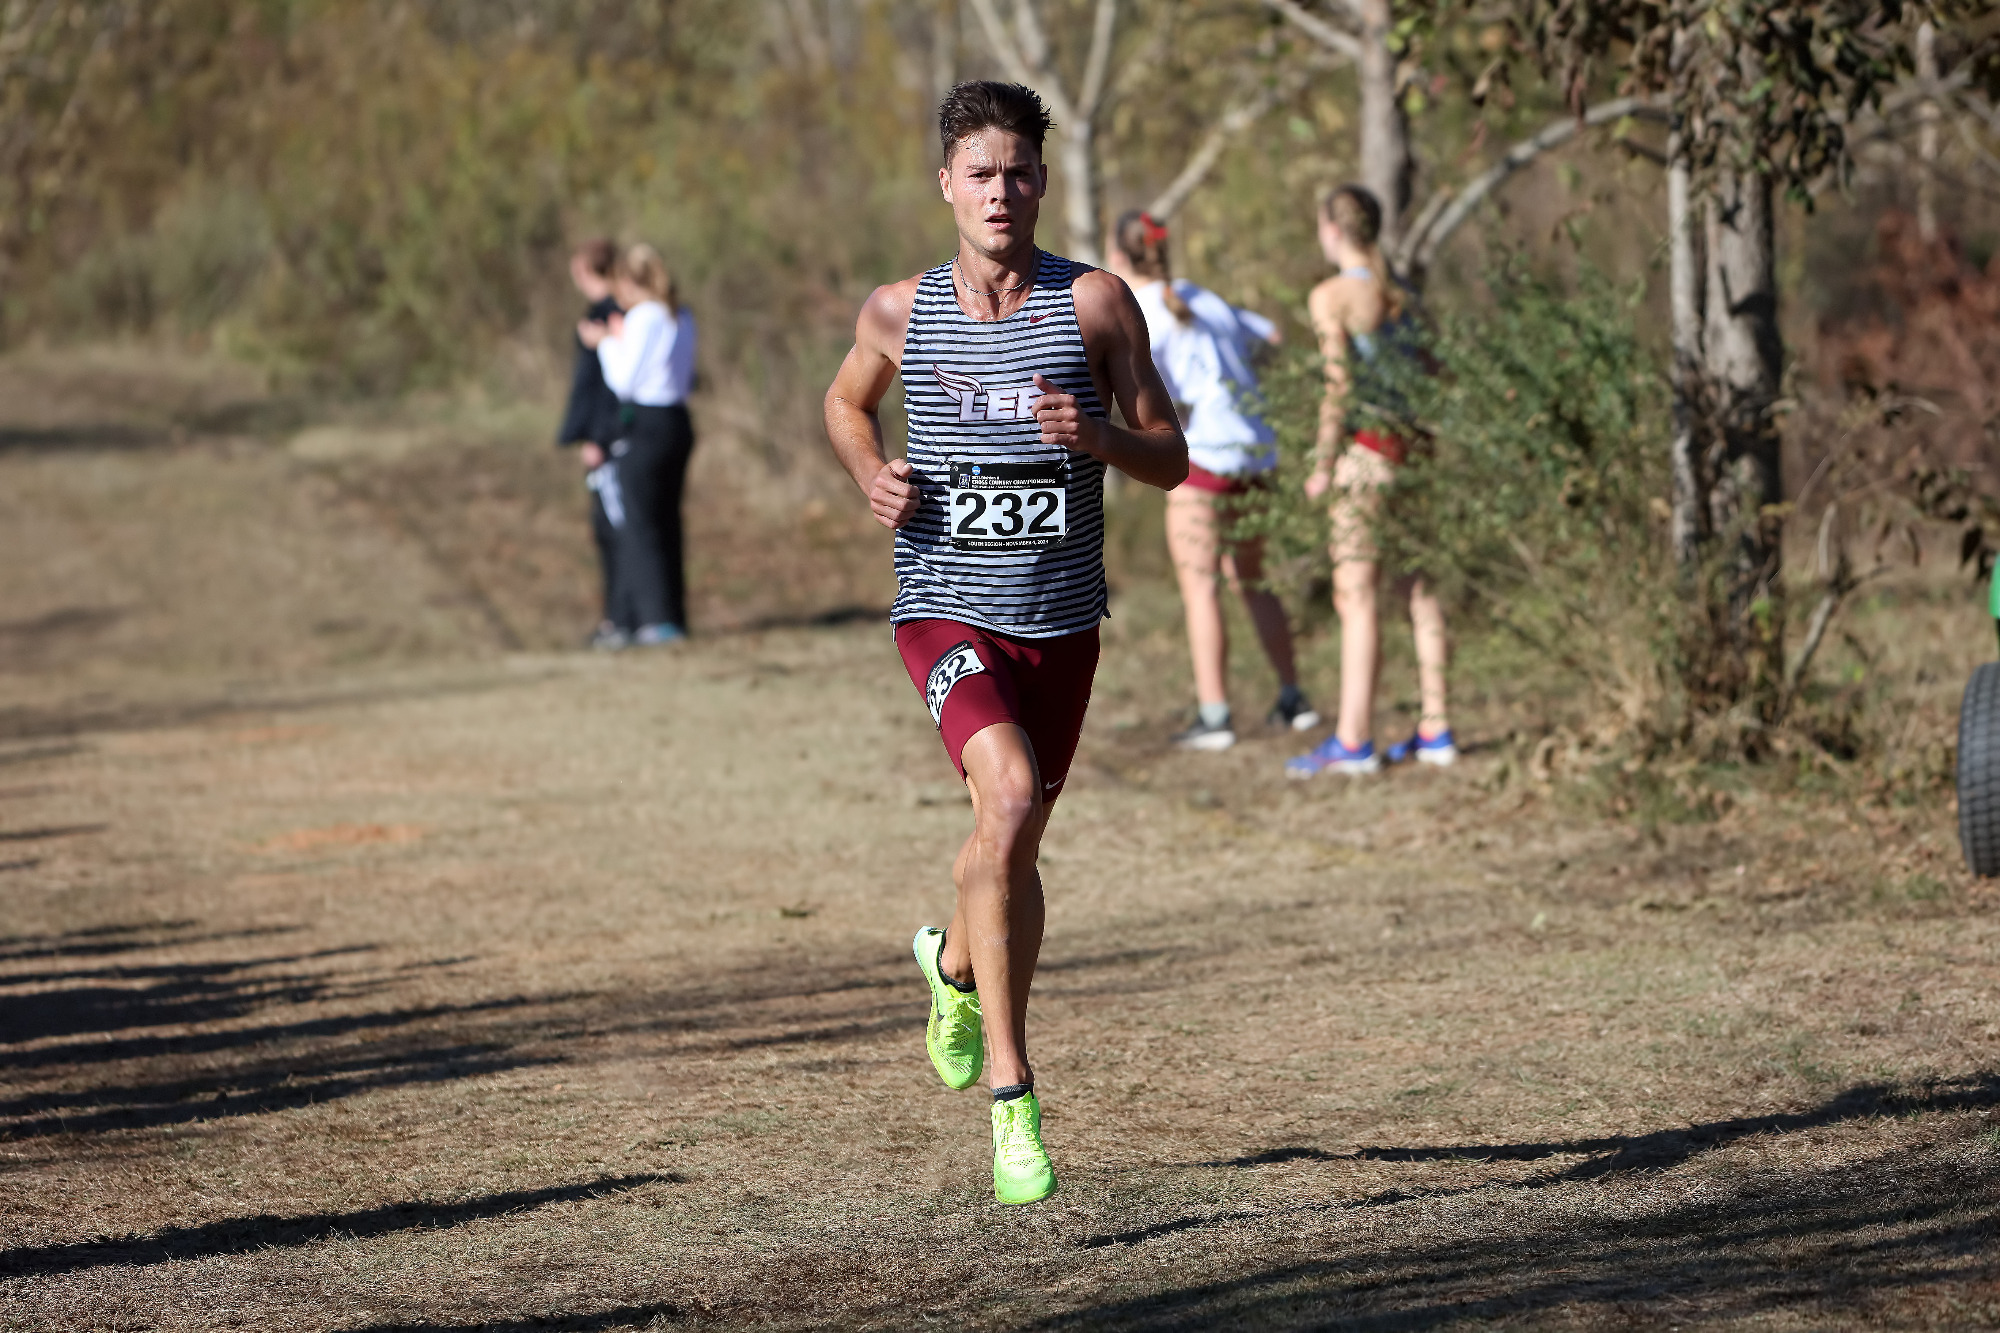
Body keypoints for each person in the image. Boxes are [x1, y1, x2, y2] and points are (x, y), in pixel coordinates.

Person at [822, 81, 1186, 1204]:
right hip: (942, 607)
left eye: (1018, 172)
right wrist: (868, 473)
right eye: (979, 173)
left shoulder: (1095, 305)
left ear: (1041, 183)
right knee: (1011, 798)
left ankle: (950, 966)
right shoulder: (898, 310)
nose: (999, 191)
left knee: (1007, 843)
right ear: (945, 183)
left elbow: (1171, 457)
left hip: (1062, 623)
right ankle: (1014, 1099)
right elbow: (845, 405)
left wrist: (1099, 436)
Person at [1102, 210, 1318, 751]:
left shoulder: (1139, 309)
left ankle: (1215, 715)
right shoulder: (1203, 296)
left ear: (1122, 257)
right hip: (1255, 450)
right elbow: (1271, 333)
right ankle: (1293, 697)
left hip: (1206, 457)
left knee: (1201, 586)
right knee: (1252, 577)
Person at [1286, 185, 1455, 777]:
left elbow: (1339, 387)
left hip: (1366, 454)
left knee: (1356, 596)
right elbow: (1440, 373)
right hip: (1416, 453)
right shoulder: (1403, 294)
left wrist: (1323, 463)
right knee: (1420, 589)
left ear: (1331, 229)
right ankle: (1437, 729)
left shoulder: (1331, 295)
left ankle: (1354, 741)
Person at [579, 244, 698, 646]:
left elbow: (625, 380)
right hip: (677, 421)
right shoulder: (681, 314)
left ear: (630, 281)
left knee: (640, 523)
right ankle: (672, 617)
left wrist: (607, 343)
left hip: (646, 424)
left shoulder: (645, 316)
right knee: (666, 521)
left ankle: (653, 620)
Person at [556, 239, 631, 650]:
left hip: (609, 442)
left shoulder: (611, 318)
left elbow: (612, 386)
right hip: (602, 439)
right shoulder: (601, 316)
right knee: (605, 531)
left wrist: (598, 437)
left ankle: (621, 619)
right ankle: (614, 618)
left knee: (614, 530)